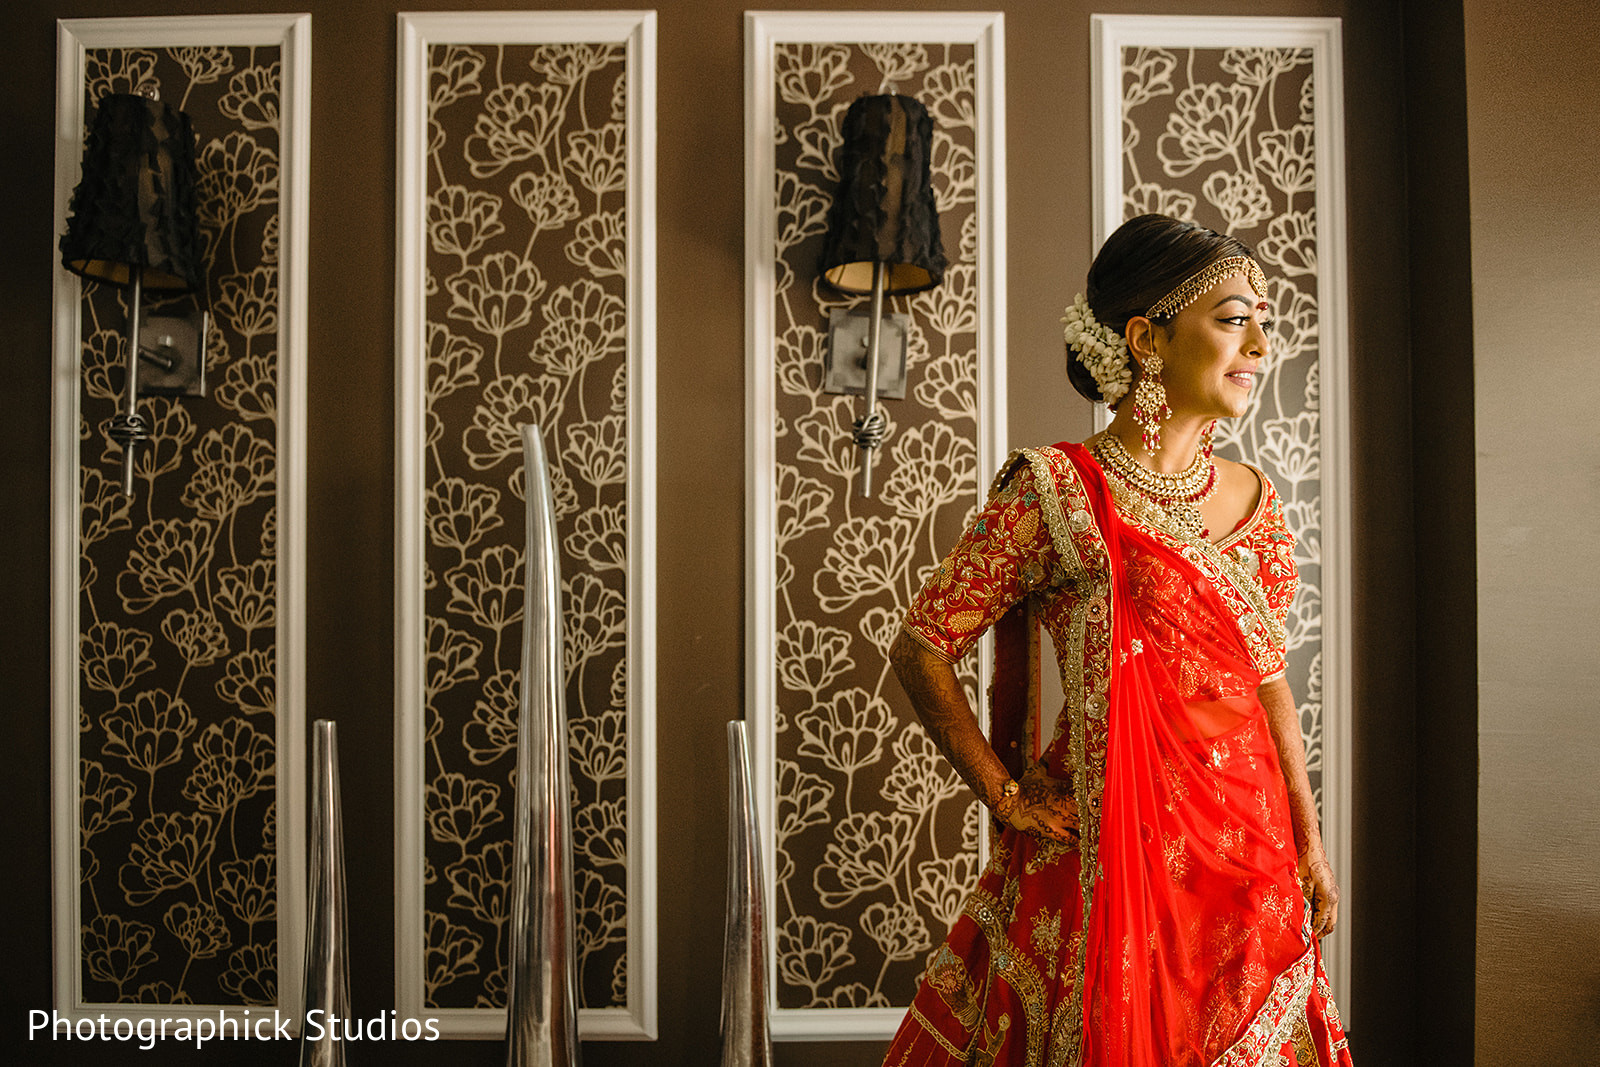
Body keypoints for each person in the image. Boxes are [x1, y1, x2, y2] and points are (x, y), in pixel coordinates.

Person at [880, 214, 1351, 1066]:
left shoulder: (1258, 501)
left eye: (1264, 321)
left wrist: (1310, 841)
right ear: (1147, 338)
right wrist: (1006, 793)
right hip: (1106, 863)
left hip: (1247, 868)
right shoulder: (1059, 492)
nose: (1260, 344)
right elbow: (921, 645)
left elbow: (1268, 680)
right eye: (1235, 317)